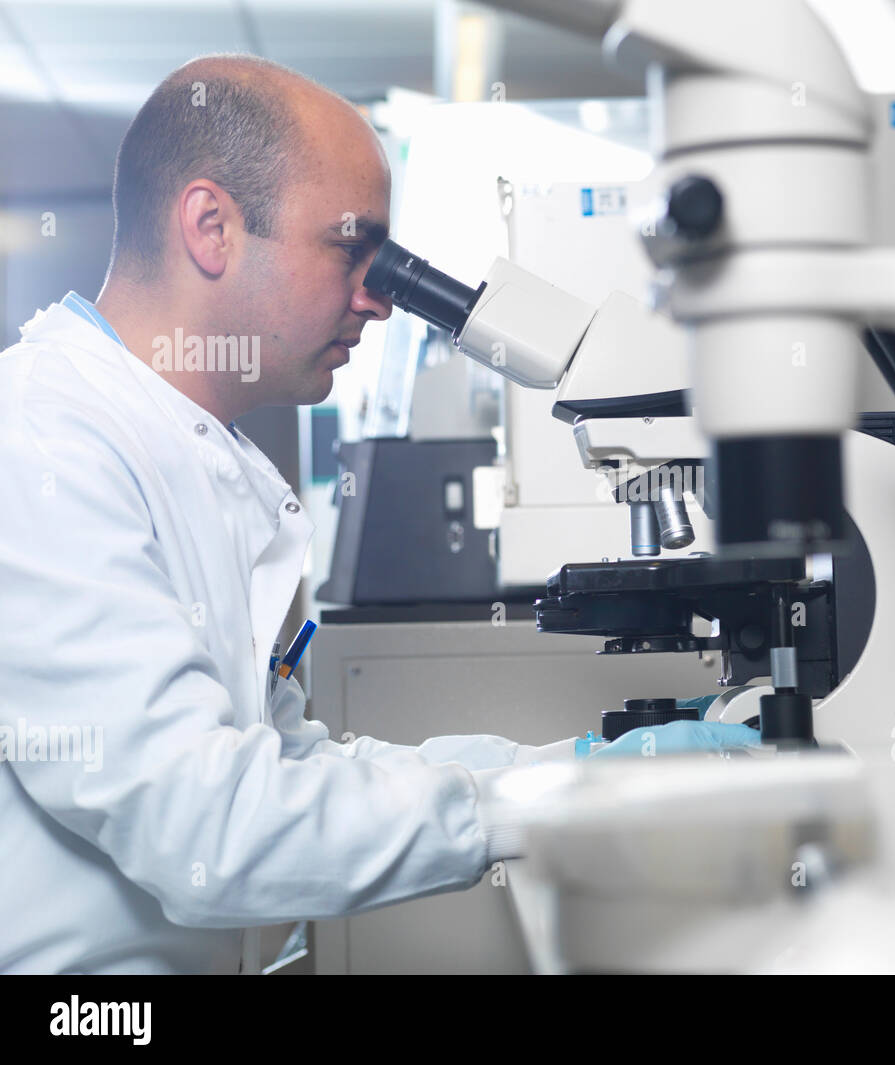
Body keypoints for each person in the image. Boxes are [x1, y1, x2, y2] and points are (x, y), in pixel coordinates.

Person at [0, 54, 757, 975]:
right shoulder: (43, 442)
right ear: (211, 227)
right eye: (351, 248)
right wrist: (557, 802)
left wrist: (583, 760)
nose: (380, 299)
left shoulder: (196, 453)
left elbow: (292, 767)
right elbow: (211, 830)